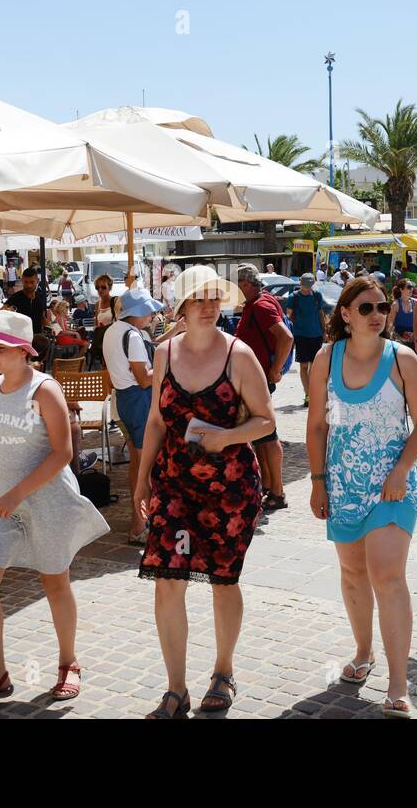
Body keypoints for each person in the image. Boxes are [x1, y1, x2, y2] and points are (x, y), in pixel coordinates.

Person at [0, 312, 109, 706]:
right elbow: (0, 446)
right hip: (4, 501)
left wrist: (18, 492)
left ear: (23, 351)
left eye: (0, 349)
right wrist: (2, 489)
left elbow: (63, 452)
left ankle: (69, 663)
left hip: (48, 500)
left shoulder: (43, 390)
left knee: (55, 584)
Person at [134, 266, 275, 717]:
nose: (210, 306)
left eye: (215, 297)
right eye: (200, 298)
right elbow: (156, 420)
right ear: (181, 306)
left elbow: (267, 420)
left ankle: (223, 670)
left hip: (229, 489)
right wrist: (141, 480)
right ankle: (176, 689)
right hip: (174, 483)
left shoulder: (239, 355)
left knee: (221, 582)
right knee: (167, 582)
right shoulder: (164, 353)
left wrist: (225, 436)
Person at [305, 277, 417, 716]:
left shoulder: (404, 360)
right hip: (342, 484)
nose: (377, 314)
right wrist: (318, 480)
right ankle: (364, 653)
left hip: (391, 486)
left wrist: (401, 469)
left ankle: (399, 684)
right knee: (352, 573)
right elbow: (318, 425)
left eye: (382, 307)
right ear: (345, 314)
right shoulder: (327, 357)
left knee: (388, 576)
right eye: (365, 308)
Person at [103, 286, 162, 544]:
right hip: (138, 401)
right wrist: (165, 366)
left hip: (123, 400)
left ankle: (140, 522)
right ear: (135, 312)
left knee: (138, 465)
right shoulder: (133, 336)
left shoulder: (114, 331)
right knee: (145, 468)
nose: (151, 314)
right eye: (147, 310)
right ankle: (139, 526)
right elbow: (144, 378)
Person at [234, 263, 293, 511]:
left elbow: (285, 337)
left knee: (267, 435)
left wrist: (275, 370)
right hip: (254, 380)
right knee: (260, 436)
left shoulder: (261, 306)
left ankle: (277, 491)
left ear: (246, 284)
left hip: (260, 381)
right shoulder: (256, 303)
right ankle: (268, 486)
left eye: (236, 284)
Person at [285, 273, 327, 407]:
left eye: (310, 285)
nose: (308, 288)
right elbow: (288, 316)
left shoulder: (316, 295)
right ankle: (308, 395)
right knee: (304, 366)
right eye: (306, 285)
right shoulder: (293, 297)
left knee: (315, 367)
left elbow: (321, 313)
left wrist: (324, 331)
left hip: (316, 335)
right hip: (301, 335)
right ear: (301, 284)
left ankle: (315, 394)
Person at [5, 268, 53, 364]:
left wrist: (50, 326)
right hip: (20, 341)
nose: (28, 285)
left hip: (36, 341)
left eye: (32, 282)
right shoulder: (16, 297)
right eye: (26, 282)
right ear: (22, 280)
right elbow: (2, 313)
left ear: (37, 281)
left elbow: (42, 317)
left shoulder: (40, 297)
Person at [392, 279, 416, 348]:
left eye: (412, 286)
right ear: (401, 289)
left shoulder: (415, 303)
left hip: (413, 340)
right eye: (409, 287)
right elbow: (390, 323)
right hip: (399, 340)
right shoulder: (395, 304)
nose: (411, 289)